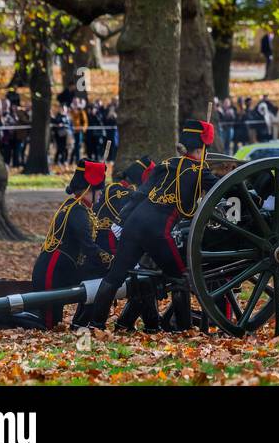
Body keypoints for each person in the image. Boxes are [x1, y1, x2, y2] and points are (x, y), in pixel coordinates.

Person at [86, 121, 217, 331]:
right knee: (179, 278)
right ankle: (183, 329)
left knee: (114, 276)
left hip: (134, 224)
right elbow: (222, 189)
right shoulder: (200, 170)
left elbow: (140, 193)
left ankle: (96, 324)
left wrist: (121, 220)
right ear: (201, 149)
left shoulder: (166, 164)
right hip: (158, 231)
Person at [31, 159, 110, 329]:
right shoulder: (78, 211)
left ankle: (80, 322)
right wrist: (111, 260)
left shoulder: (76, 206)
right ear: (90, 189)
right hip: (53, 271)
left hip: (63, 268)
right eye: (100, 190)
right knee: (48, 325)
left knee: (95, 278)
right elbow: (88, 246)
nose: (101, 194)